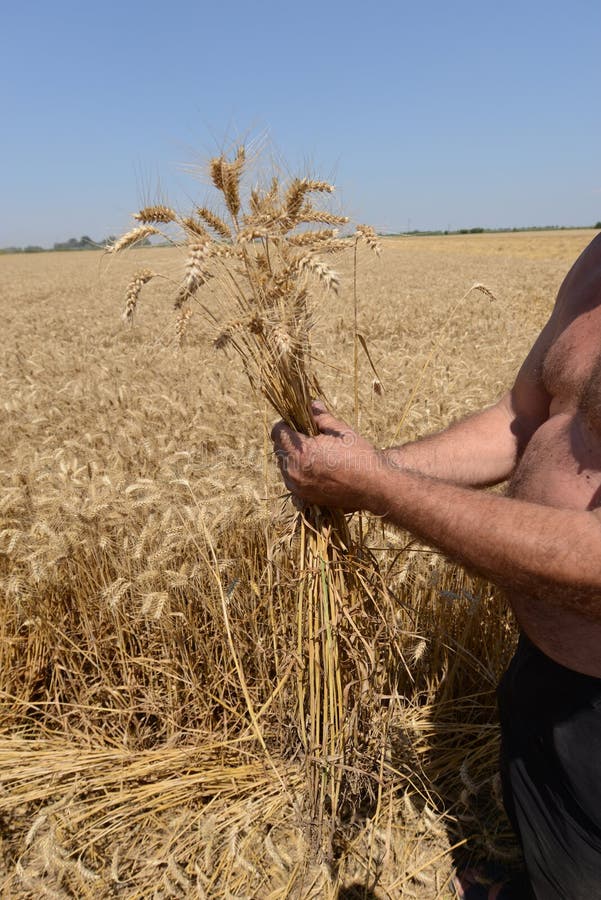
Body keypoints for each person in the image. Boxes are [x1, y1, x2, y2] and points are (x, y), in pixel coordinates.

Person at [271, 231, 601, 900]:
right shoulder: (596, 259)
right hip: (546, 667)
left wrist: (381, 492)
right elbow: (519, 418)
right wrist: (365, 468)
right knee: (559, 856)